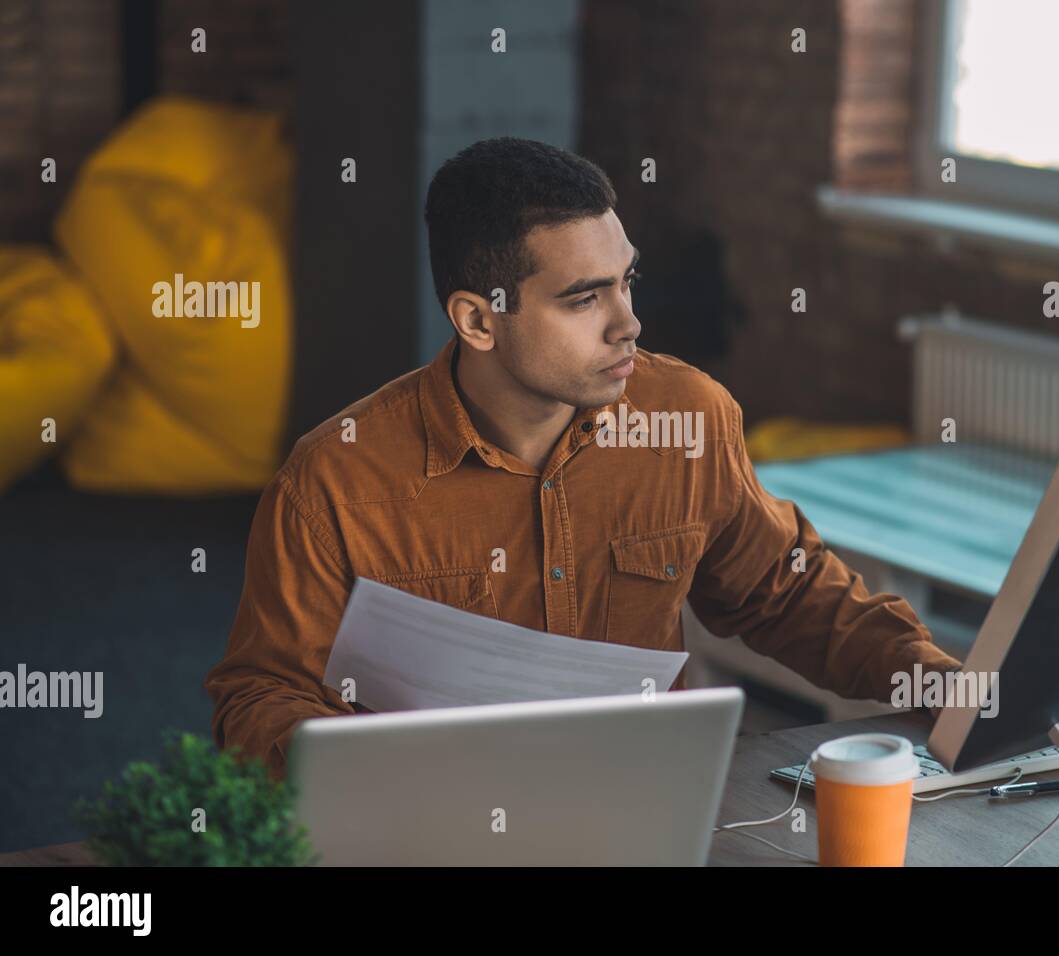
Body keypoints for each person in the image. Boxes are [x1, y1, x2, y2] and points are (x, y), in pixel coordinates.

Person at [204, 137, 962, 779]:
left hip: (646, 814)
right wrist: (376, 775)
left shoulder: (688, 418)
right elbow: (263, 698)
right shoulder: (334, 480)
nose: (628, 323)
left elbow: (783, 593)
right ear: (479, 320)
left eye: (627, 282)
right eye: (584, 299)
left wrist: (941, 685)